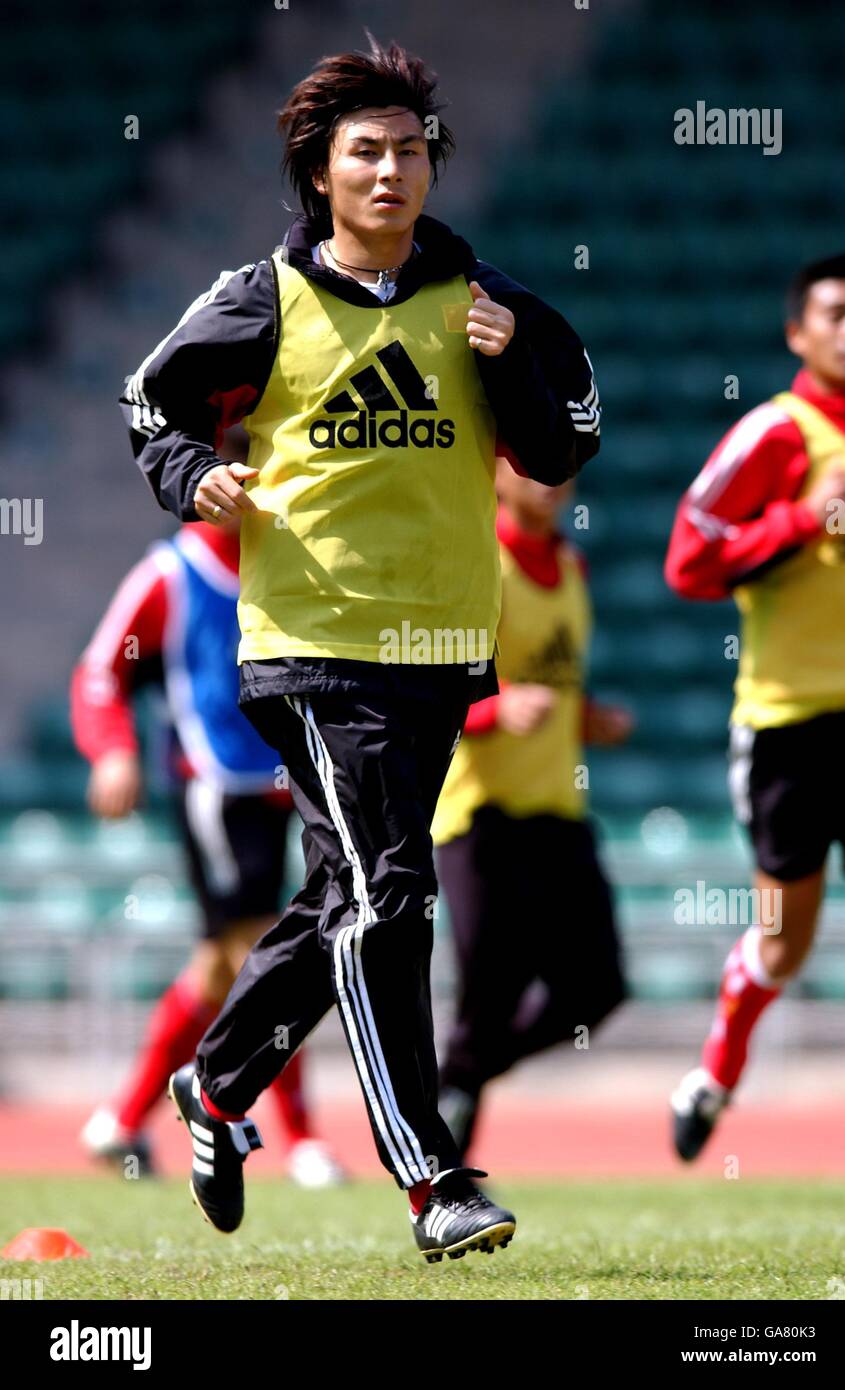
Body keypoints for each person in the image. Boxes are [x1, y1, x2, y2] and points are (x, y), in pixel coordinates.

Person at [120, 34, 600, 1262]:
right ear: (319, 174)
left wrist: (514, 377)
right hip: (310, 644)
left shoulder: (493, 305)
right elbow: (149, 401)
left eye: (408, 150)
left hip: (442, 647)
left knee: (347, 897)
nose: (391, 171)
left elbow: (559, 448)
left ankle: (216, 1086)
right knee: (392, 892)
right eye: (364, 153)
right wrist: (194, 472)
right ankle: (432, 1177)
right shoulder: (258, 301)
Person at [71, 472, 346, 1188]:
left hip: (287, 791)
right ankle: (302, 1141)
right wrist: (113, 751)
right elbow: (101, 671)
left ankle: (123, 1120)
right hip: (216, 793)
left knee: (222, 969)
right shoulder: (171, 573)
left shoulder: (285, 559)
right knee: (269, 956)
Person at [665, 251, 845, 1160]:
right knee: (784, 945)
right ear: (799, 331)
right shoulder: (776, 436)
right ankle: (714, 1077)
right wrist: (799, 520)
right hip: (791, 726)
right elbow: (687, 561)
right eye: (836, 314)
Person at [431, 453, 630, 1158]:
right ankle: (442, 1178)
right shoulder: (474, 559)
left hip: (556, 813)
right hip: (480, 816)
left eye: (558, 464)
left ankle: (451, 1081)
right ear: (492, 471)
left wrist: (588, 719)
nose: (548, 477)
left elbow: (553, 685)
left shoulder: (571, 568)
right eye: (530, 461)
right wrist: (493, 709)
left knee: (598, 987)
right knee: (486, 994)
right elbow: (429, 684)